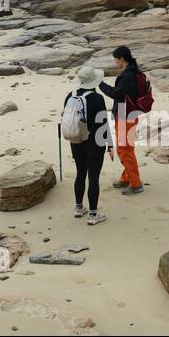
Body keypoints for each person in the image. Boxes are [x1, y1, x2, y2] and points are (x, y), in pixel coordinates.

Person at [61, 65, 114, 225]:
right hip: (94, 143)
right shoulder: (97, 99)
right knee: (93, 177)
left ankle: (78, 208)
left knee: (80, 173)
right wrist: (110, 145)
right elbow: (104, 124)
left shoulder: (70, 95)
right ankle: (92, 215)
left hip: (76, 140)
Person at [98, 45, 145, 194]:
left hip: (126, 115)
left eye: (116, 59)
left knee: (124, 150)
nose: (115, 62)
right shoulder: (134, 71)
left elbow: (116, 94)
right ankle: (126, 178)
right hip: (131, 113)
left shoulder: (127, 75)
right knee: (127, 149)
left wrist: (101, 84)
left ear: (122, 59)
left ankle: (136, 183)